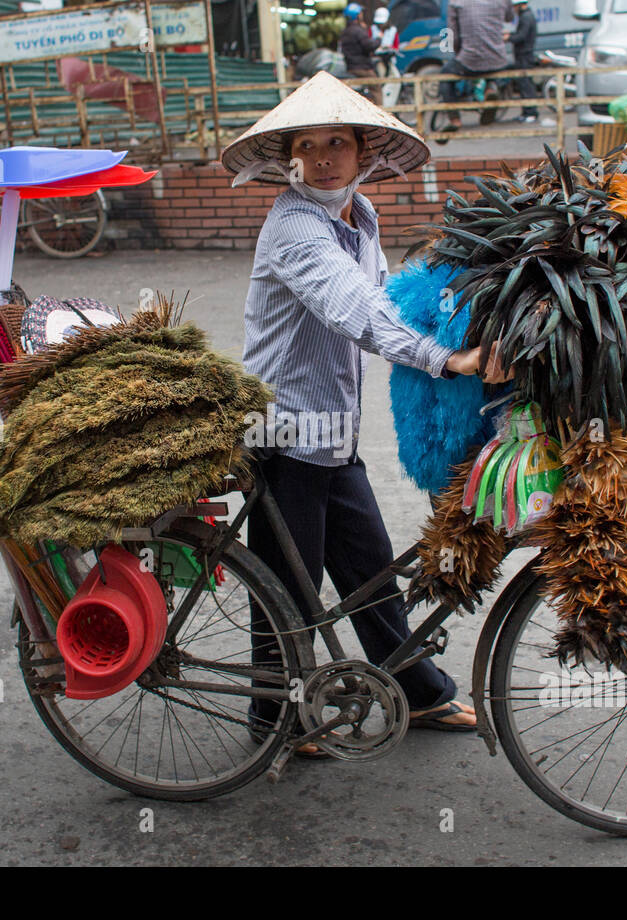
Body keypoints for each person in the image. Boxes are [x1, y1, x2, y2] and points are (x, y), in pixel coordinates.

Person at [221, 71, 512, 755]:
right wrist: (447, 360)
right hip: (286, 432)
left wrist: (458, 325)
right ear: (288, 158)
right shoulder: (295, 226)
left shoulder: (360, 214)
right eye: (308, 146)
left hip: (332, 429)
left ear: (362, 154)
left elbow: (390, 298)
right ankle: (274, 721)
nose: (322, 158)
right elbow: (355, 308)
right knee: (289, 590)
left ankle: (418, 691)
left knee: (370, 570)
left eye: (337, 143)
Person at [439, 0, 514, 133]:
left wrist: (459, 54)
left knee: (445, 76)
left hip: (470, 59)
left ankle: (455, 119)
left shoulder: (456, 2)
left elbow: (453, 37)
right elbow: (510, 17)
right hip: (498, 58)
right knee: (494, 68)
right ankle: (490, 89)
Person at [340, 3, 382, 105]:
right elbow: (369, 46)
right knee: (376, 88)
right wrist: (379, 39)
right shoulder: (358, 31)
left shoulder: (345, 31)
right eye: (360, 13)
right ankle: (381, 114)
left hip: (351, 67)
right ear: (357, 15)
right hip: (363, 68)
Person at [507, 0, 541, 123]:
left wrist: (508, 37)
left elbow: (521, 36)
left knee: (526, 85)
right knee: (523, 85)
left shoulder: (526, 17)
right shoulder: (526, 16)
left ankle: (531, 112)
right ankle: (526, 112)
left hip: (525, 57)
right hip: (523, 56)